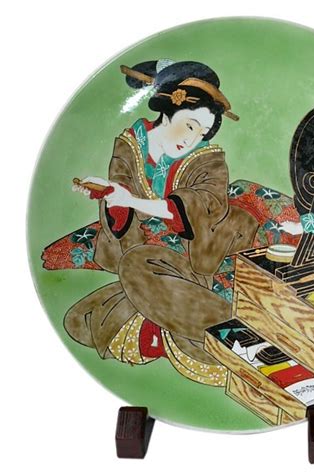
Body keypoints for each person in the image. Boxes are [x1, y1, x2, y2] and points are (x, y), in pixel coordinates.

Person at [64, 59, 260, 366]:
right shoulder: (130, 144)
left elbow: (203, 205)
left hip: (200, 251)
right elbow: (121, 205)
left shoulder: (209, 159)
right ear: (168, 110)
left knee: (135, 269)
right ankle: (229, 343)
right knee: (81, 318)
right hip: (147, 255)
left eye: (202, 132)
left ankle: (244, 337)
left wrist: (132, 201)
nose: (192, 139)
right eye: (190, 125)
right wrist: (112, 196)